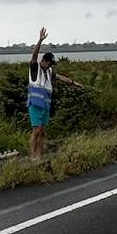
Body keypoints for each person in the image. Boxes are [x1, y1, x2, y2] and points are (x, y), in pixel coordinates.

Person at [24, 27, 87, 161]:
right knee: (36, 131)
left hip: (45, 106)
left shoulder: (49, 72)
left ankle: (39, 156)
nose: (50, 65)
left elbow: (59, 77)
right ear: (44, 61)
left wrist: (74, 83)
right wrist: (40, 40)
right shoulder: (36, 69)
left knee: (42, 132)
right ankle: (33, 156)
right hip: (35, 104)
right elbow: (34, 56)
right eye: (49, 63)